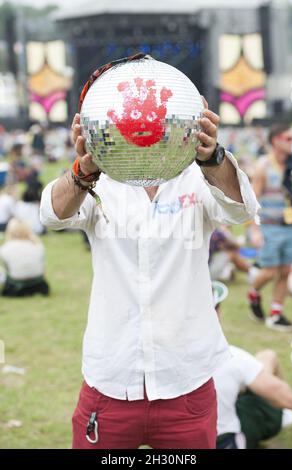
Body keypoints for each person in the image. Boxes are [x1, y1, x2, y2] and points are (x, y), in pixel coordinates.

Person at [40, 55, 259, 449]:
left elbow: (240, 208)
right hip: (111, 380)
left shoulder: (198, 175)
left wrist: (213, 157)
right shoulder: (100, 180)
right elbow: (52, 215)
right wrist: (81, 172)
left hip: (186, 381)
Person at [248, 123, 292, 331]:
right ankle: (253, 292)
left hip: (291, 226)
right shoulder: (263, 166)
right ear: (275, 140)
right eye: (288, 138)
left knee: (286, 271)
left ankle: (275, 314)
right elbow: (252, 200)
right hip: (269, 227)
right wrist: (254, 230)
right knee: (270, 271)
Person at [214, 346, 292, 449]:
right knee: (267, 356)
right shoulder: (231, 355)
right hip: (222, 439)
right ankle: (281, 415)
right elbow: (290, 401)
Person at [0, 218, 49, 297]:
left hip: (16, 289)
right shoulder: (38, 245)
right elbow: (43, 269)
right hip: (40, 286)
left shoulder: (5, 249)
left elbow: (7, 270)